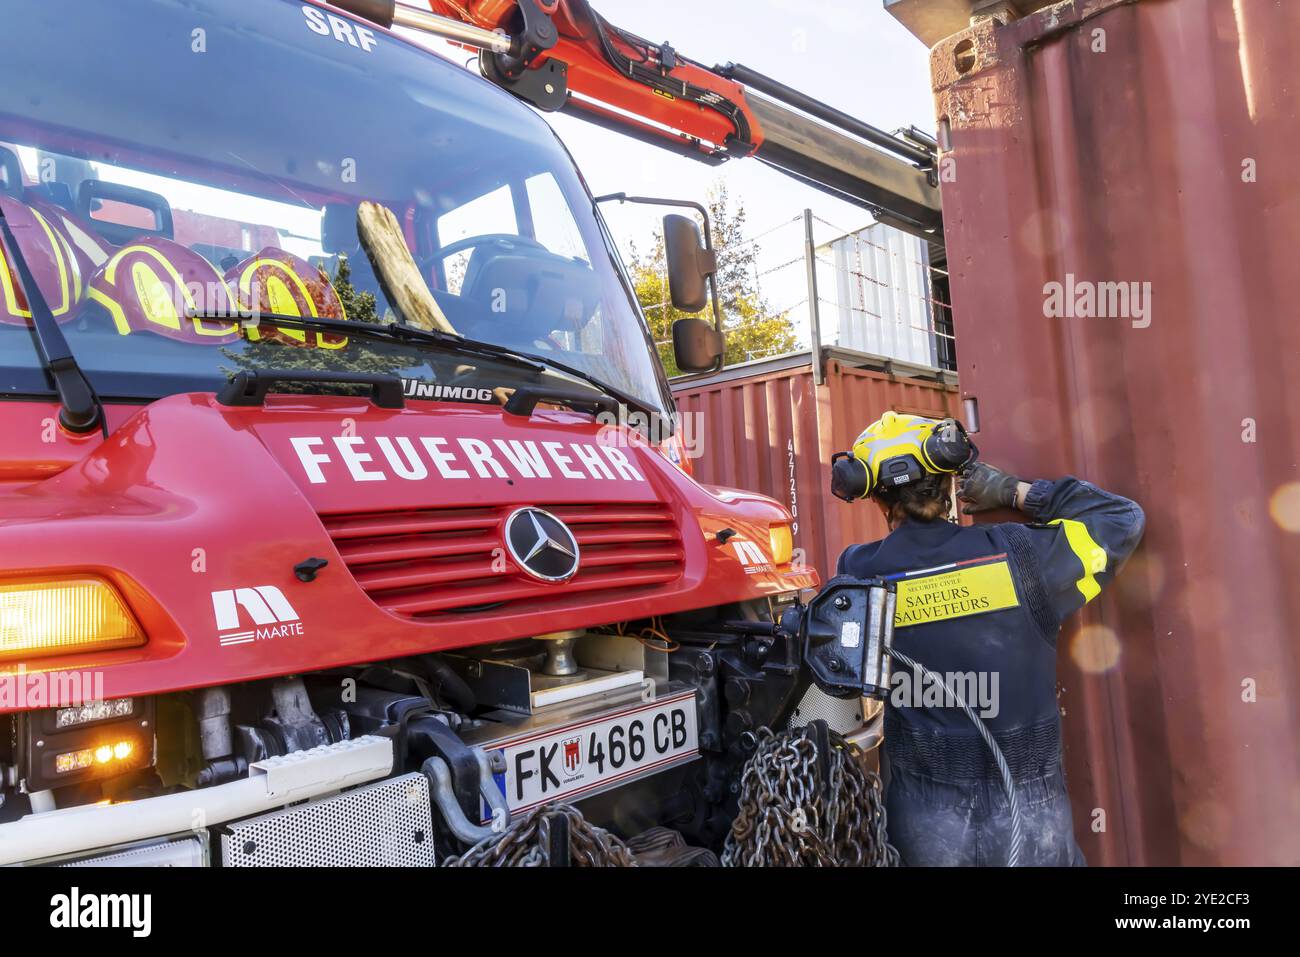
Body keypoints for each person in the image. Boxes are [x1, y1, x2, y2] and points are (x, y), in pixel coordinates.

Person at [833, 412, 1144, 866]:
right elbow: (1122, 518)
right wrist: (1015, 492)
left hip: (924, 821)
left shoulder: (859, 573)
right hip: (1032, 816)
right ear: (951, 484)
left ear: (877, 497)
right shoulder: (1022, 554)